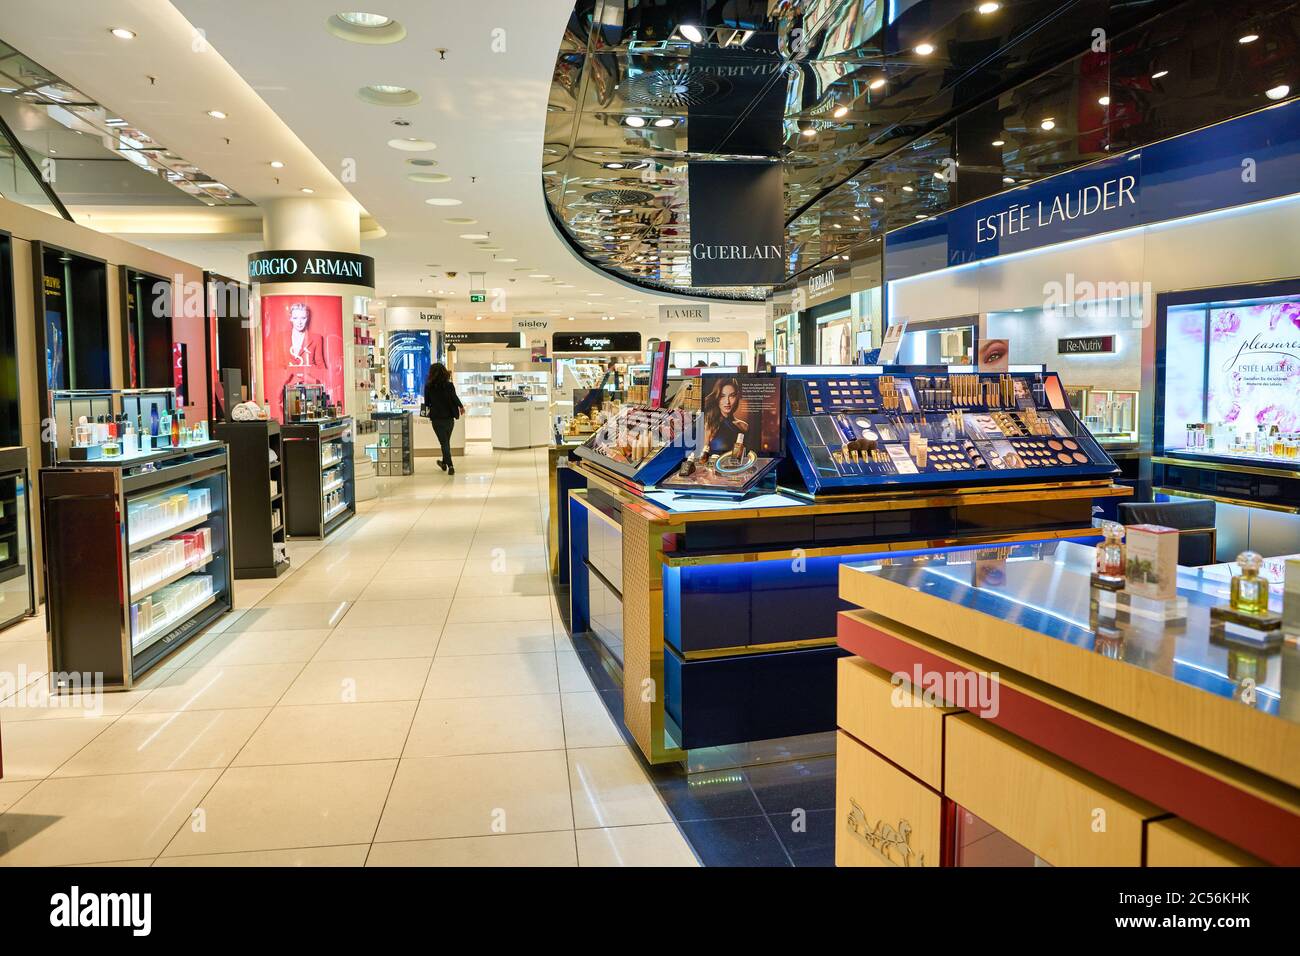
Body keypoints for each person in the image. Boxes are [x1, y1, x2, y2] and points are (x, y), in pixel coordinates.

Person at [423, 362, 465, 474]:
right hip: (449, 419)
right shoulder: (449, 385)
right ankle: (443, 463)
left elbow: (427, 403)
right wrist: (461, 406)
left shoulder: (428, 387)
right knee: (445, 442)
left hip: (437, 419)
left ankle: (450, 466)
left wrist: (424, 413)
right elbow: (454, 398)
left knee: (444, 443)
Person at [702, 376, 747, 455]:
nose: (727, 402)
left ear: (737, 396)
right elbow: (702, 454)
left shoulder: (743, 426)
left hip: (735, 466)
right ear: (717, 397)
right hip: (713, 465)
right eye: (722, 396)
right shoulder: (709, 423)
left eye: (732, 396)